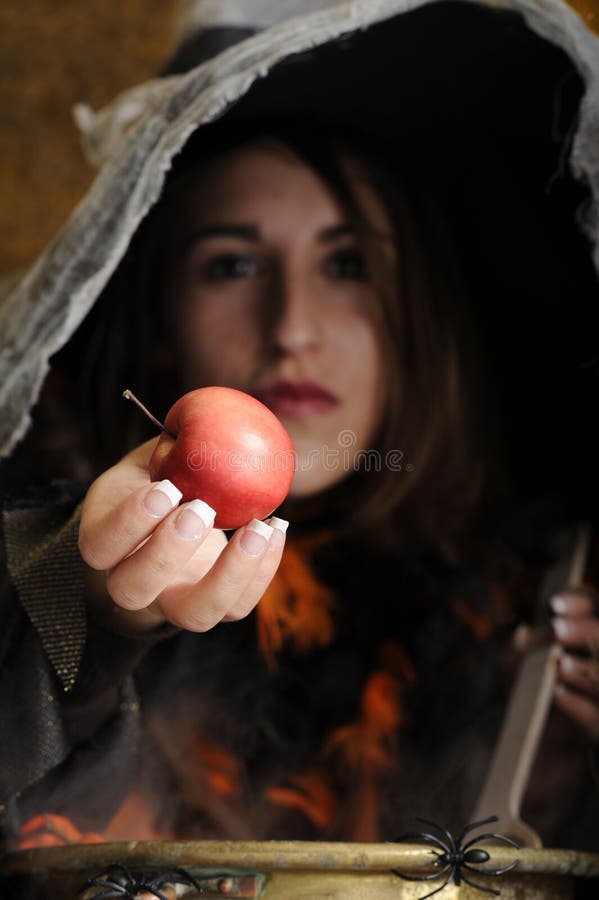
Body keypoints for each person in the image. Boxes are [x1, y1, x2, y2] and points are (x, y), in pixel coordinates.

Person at [1, 0, 599, 870]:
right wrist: (81, 623)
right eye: (231, 264)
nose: (292, 328)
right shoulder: (46, 557)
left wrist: (556, 781)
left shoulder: (522, 598)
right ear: (160, 313)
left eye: (347, 263)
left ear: (413, 311)